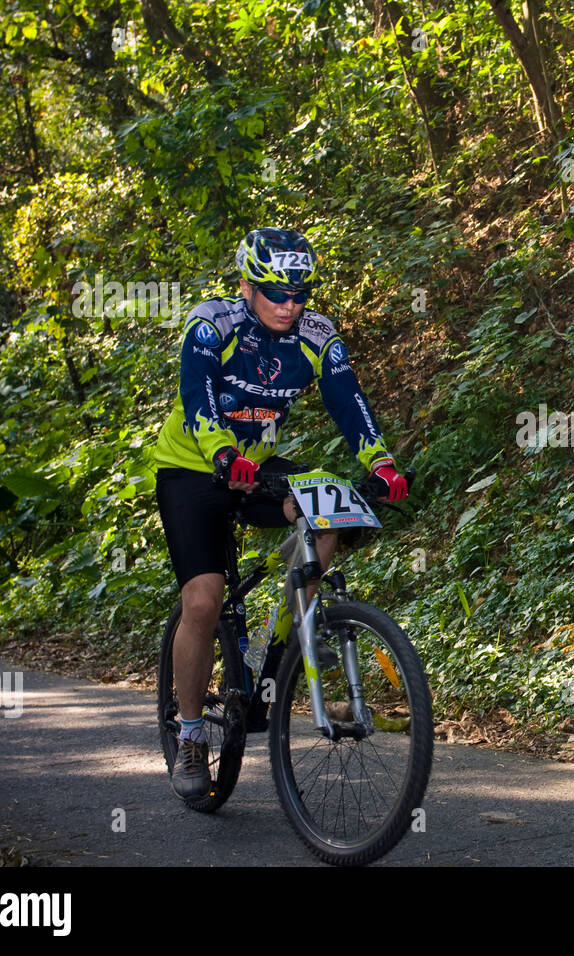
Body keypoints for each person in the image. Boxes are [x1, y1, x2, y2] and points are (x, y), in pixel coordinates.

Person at [151, 227, 408, 800]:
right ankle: (190, 733)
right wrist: (221, 452)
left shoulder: (316, 335)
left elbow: (349, 402)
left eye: (300, 294)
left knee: (325, 514)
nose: (289, 305)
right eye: (276, 293)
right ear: (246, 285)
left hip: (257, 466)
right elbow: (199, 397)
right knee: (203, 600)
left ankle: (291, 637)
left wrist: (382, 463)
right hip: (192, 468)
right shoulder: (212, 324)